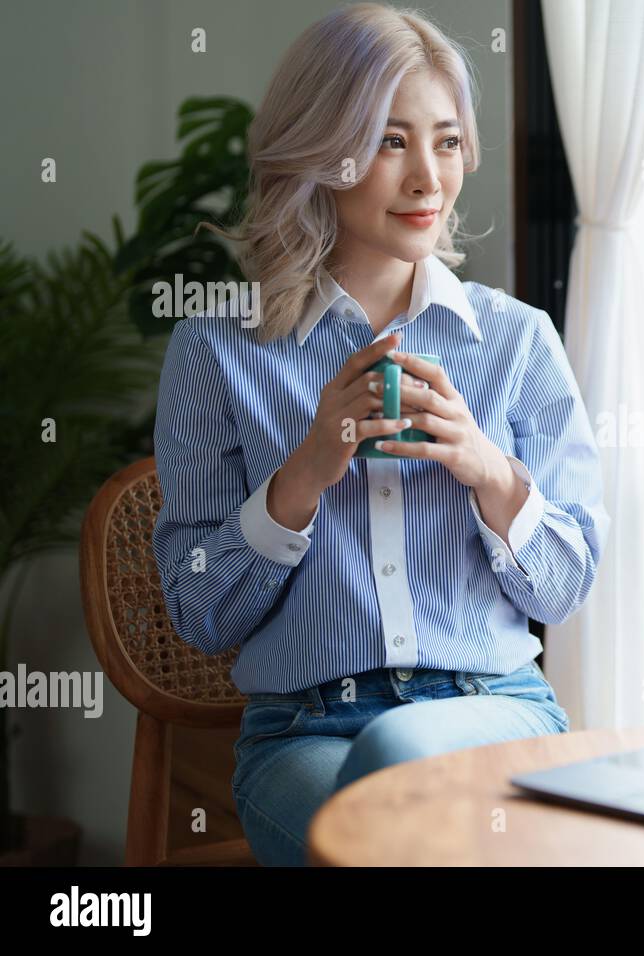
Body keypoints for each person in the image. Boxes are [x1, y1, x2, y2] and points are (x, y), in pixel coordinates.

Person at [151, 2, 609, 866]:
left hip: (496, 712)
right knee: (387, 813)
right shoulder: (215, 350)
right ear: (321, 150)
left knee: (397, 773)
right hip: (304, 735)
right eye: (392, 141)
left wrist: (490, 472)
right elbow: (199, 612)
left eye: (446, 141)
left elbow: (567, 585)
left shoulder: (515, 342)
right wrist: (302, 478)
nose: (429, 178)